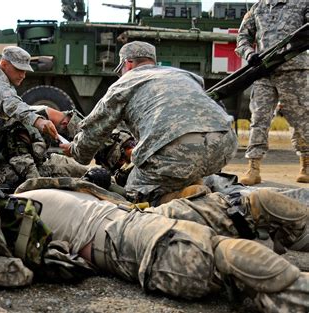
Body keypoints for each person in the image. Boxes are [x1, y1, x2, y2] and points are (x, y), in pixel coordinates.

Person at [0, 172, 308, 313]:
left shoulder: (26, 187)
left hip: (140, 212)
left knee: (254, 203)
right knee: (215, 250)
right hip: (118, 238)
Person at [61, 41, 238, 205]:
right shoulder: (185, 75)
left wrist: (75, 150)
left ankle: (180, 196)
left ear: (128, 64)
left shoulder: (124, 83)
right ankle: (211, 187)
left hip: (177, 152)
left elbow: (93, 132)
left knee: (133, 196)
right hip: (224, 143)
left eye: (120, 69)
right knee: (189, 167)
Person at [235, 0, 308, 184]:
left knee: (301, 119)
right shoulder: (258, 8)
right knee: (259, 118)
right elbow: (242, 36)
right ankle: (253, 167)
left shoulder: (302, 4)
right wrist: (249, 54)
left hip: (294, 70)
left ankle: (306, 164)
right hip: (264, 72)